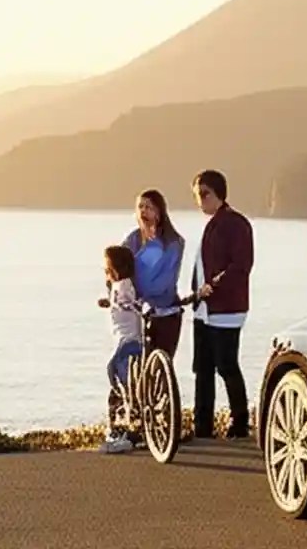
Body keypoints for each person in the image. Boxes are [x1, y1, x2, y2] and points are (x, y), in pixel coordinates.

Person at [189, 170, 254, 440]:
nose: (200, 200)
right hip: (204, 309)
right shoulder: (214, 223)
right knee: (202, 369)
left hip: (226, 310)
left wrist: (212, 286)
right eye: (197, 195)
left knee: (226, 366)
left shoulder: (236, 224)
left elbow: (241, 265)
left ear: (219, 193)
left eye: (205, 194)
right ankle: (202, 428)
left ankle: (240, 424)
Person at [121, 189, 186, 357]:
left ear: (159, 212)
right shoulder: (133, 240)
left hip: (165, 312)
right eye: (140, 207)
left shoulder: (172, 242)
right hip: (137, 311)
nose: (143, 211)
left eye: (148, 207)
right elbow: (118, 267)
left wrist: (143, 296)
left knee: (162, 363)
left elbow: (167, 279)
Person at [97, 245, 142, 454]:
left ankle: (126, 431)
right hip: (125, 341)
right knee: (120, 388)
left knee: (122, 387)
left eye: (107, 268)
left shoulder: (124, 286)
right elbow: (120, 302)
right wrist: (110, 303)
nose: (105, 272)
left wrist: (123, 305)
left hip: (127, 343)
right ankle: (118, 428)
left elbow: (129, 302)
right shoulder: (118, 286)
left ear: (116, 269)